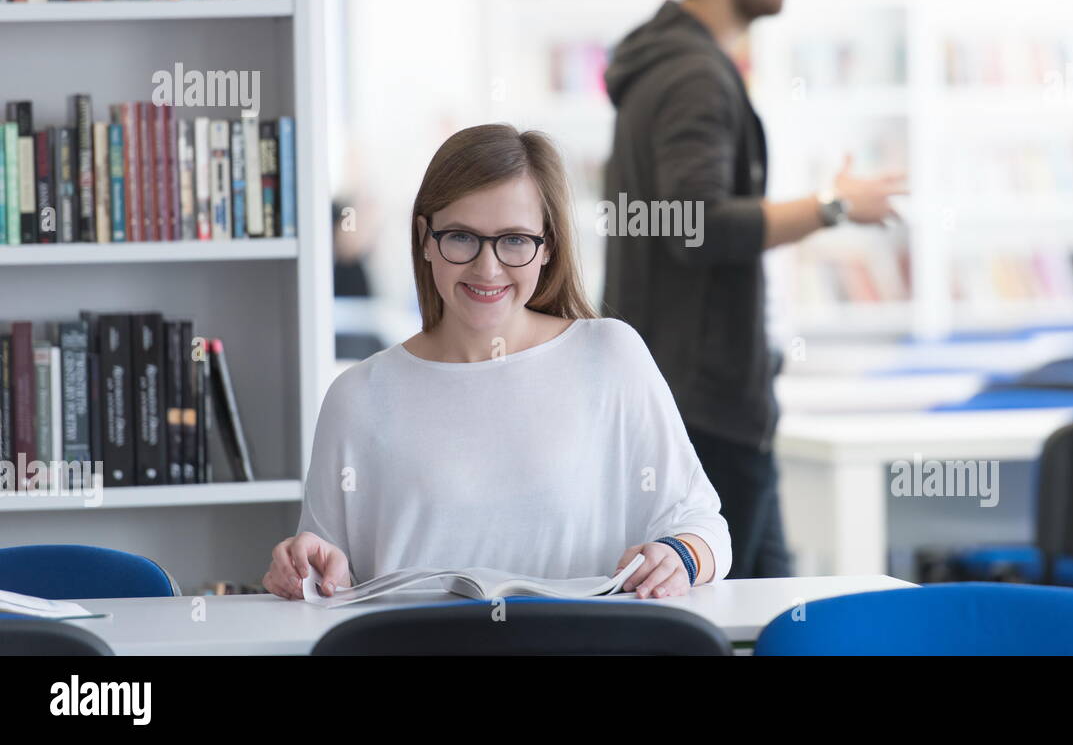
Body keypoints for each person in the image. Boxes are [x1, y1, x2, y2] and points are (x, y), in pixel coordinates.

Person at [263, 123, 731, 601]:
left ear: (547, 246)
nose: (487, 268)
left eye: (513, 240)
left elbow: (704, 525)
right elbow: (321, 575)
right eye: (462, 237)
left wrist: (681, 556)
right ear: (425, 238)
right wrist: (304, 568)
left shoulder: (610, 358)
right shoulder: (357, 395)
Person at [601, 0, 906, 579]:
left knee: (771, 616)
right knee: (728, 617)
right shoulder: (693, 76)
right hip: (705, 411)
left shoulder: (675, 63)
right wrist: (833, 206)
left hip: (702, 401)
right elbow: (697, 224)